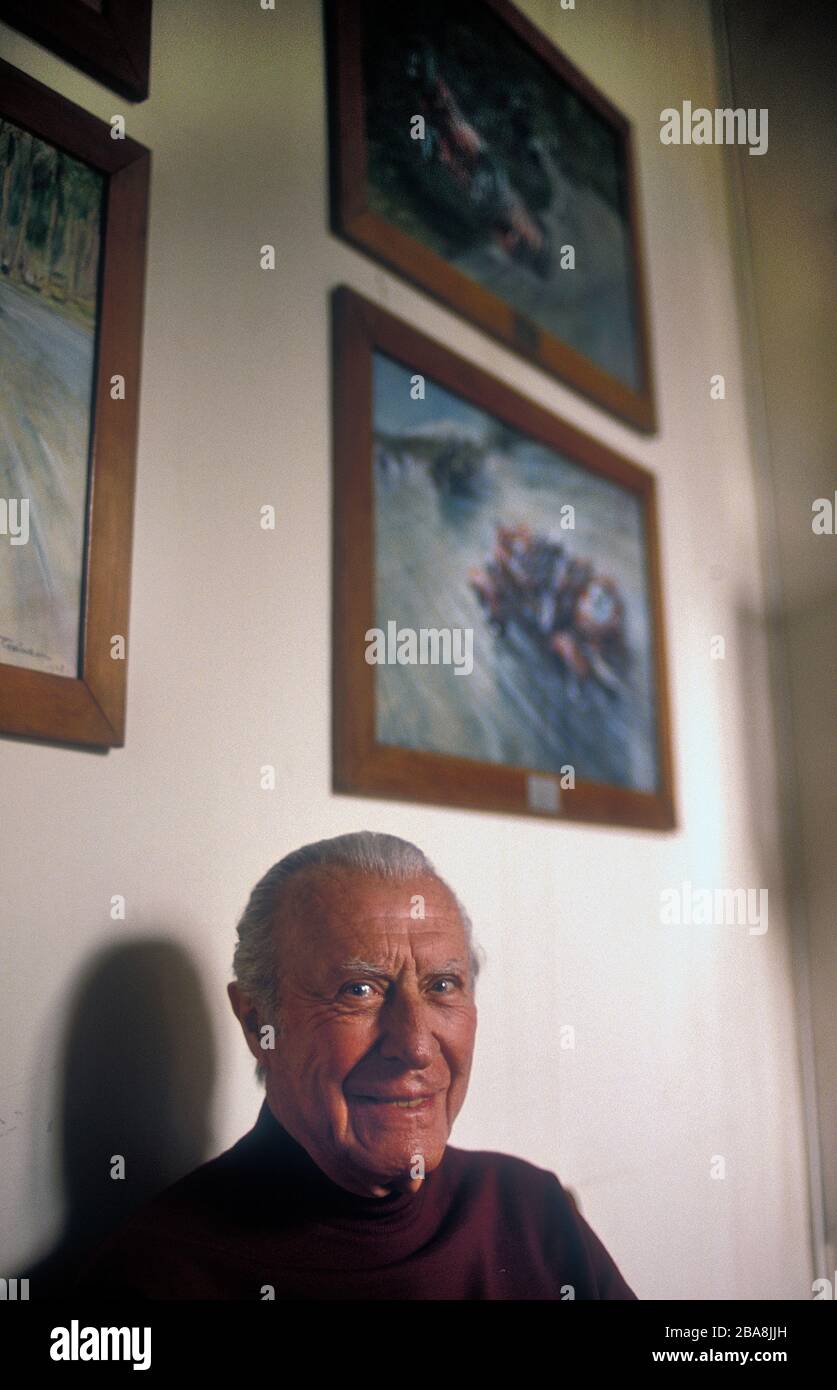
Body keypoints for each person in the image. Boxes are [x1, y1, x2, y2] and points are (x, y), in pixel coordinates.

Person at [76, 832, 636, 1300]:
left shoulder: (527, 1208)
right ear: (256, 1023)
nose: (415, 1046)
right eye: (359, 990)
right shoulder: (152, 1277)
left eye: (443, 986)